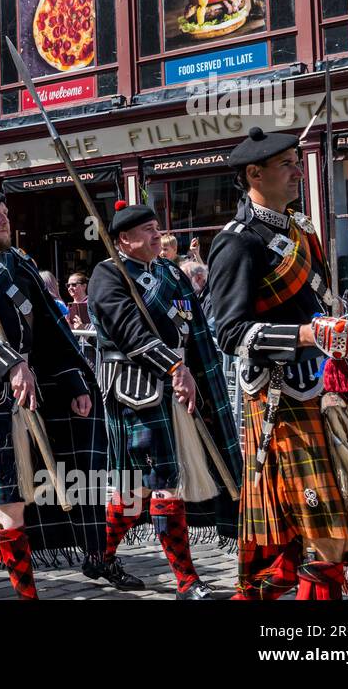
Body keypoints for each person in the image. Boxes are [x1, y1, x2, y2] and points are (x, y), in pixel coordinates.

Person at [208, 126, 348, 600]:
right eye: (286, 165)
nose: (297, 171)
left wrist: (344, 324)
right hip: (282, 397)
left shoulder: (302, 228)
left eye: (295, 162)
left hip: (327, 391)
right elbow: (231, 334)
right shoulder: (238, 242)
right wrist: (308, 334)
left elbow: (320, 303)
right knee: (328, 534)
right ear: (253, 173)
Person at [0, 188, 109, 600]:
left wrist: (73, 381)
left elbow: (50, 327)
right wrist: (10, 362)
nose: (4, 220)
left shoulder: (19, 263)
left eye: (5, 213)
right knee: (9, 502)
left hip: (27, 392)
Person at [88, 201, 242, 599]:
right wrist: (175, 368)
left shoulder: (170, 271)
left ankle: (101, 555)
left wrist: (198, 378)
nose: (157, 235)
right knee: (163, 486)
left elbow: (193, 326)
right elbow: (129, 333)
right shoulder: (108, 274)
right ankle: (186, 582)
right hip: (136, 391)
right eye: (147, 230)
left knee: (135, 492)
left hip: (180, 386)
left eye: (158, 227)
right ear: (124, 239)